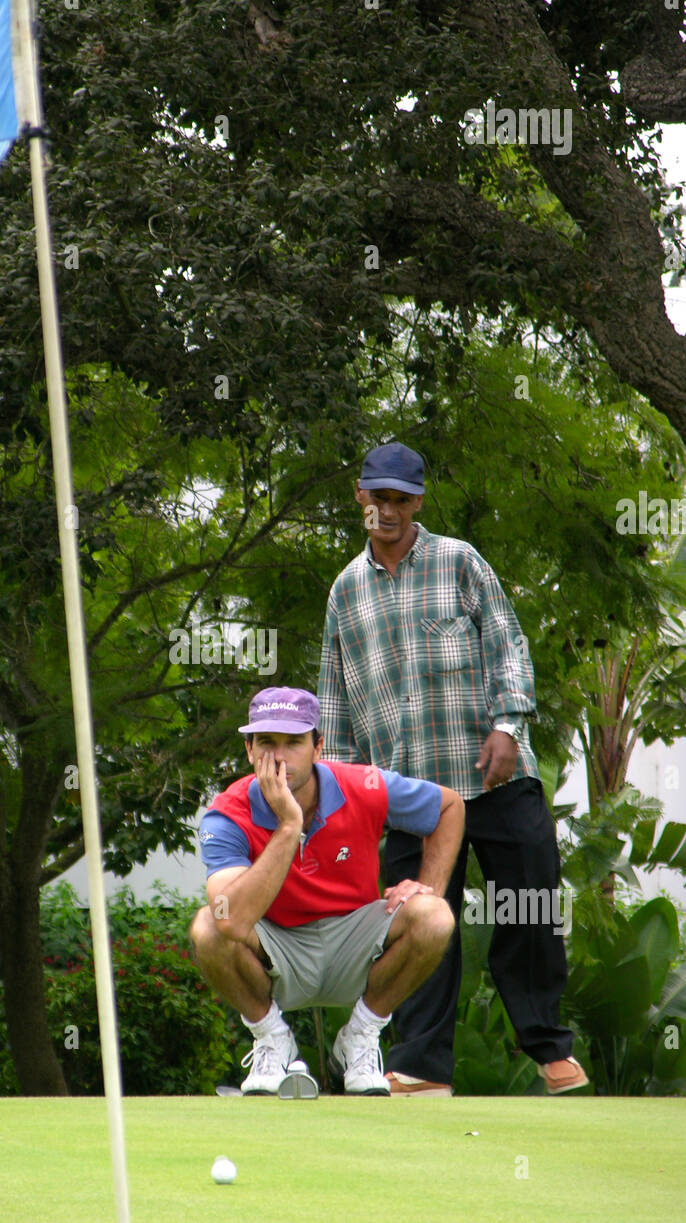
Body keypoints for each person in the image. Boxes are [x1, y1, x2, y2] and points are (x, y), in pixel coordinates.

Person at [318, 441, 587, 1096]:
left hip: (489, 774)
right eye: (377, 497)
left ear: (417, 503)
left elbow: (508, 644)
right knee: (418, 920)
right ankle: (420, 1065)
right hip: (407, 795)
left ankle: (549, 1049)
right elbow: (335, 699)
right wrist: (339, 793)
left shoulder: (459, 562)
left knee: (531, 902)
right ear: (361, 496)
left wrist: (507, 725)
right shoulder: (345, 593)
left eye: (400, 499)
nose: (387, 509)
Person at [190, 686, 464, 1094]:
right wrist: (288, 826)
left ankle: (361, 1035)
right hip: (276, 943)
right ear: (249, 750)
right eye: (267, 743)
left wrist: (430, 885)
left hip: (356, 939)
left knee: (436, 914)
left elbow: (449, 806)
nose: (280, 756)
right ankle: (272, 1040)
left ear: (318, 746)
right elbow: (230, 918)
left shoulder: (366, 785)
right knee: (207, 926)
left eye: (294, 742)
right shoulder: (227, 812)